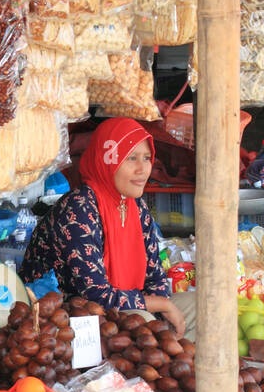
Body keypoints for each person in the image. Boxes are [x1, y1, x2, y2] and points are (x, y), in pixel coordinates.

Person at [20, 117, 189, 335]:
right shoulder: (78, 209)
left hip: (121, 304)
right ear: (108, 161)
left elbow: (155, 275)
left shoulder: (136, 207)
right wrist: (163, 307)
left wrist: (164, 308)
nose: (143, 169)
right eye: (131, 159)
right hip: (68, 318)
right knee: (145, 322)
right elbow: (97, 296)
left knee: (202, 307)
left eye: (147, 158)